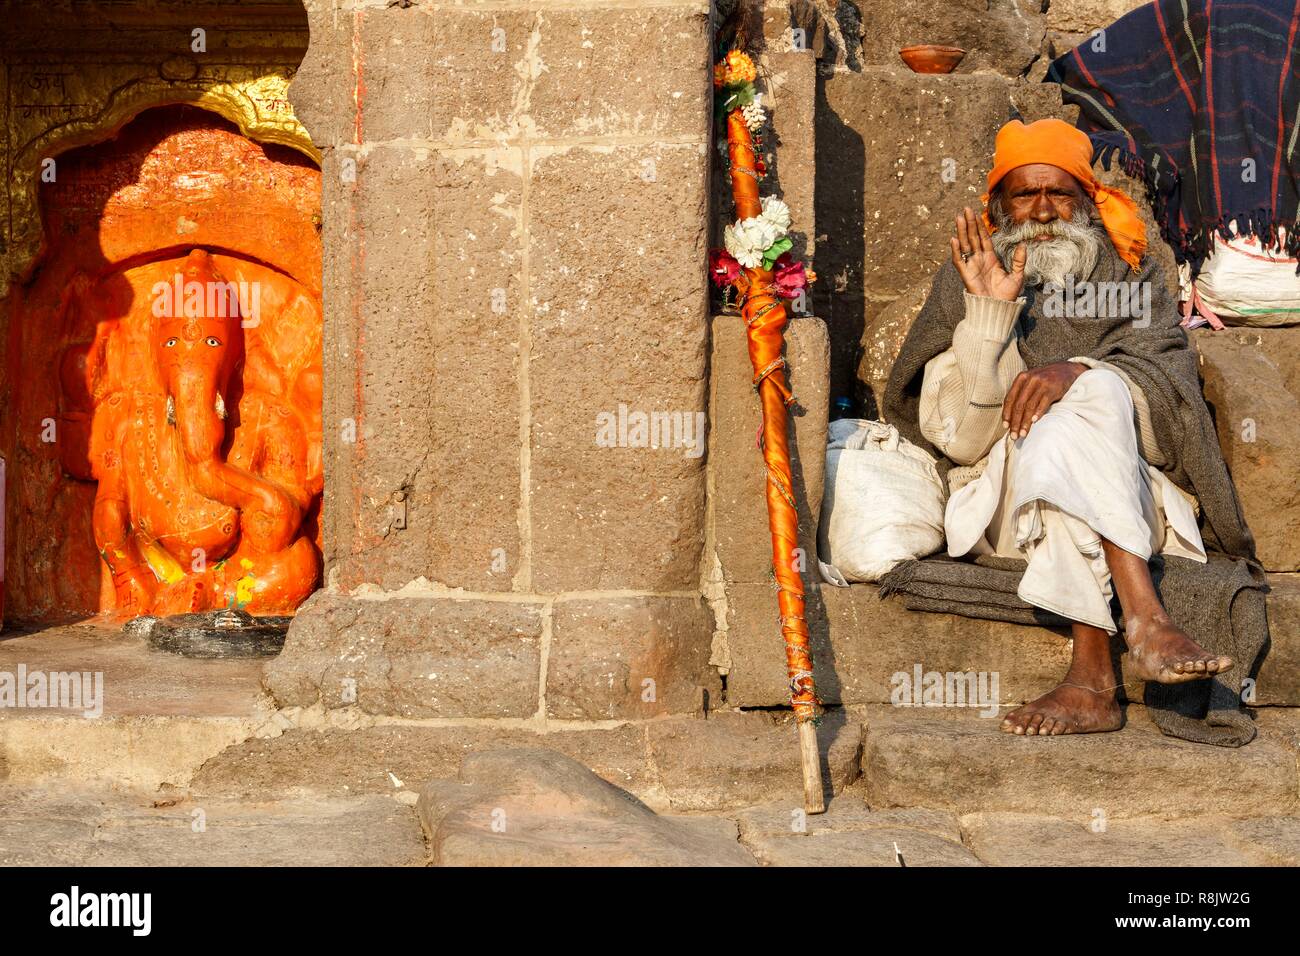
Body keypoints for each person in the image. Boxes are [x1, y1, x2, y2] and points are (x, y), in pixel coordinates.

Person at [883, 119, 1265, 739]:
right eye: (1024, 195)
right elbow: (960, 441)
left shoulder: (1134, 271)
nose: (1043, 211)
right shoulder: (967, 277)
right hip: (1011, 508)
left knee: (1096, 392)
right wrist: (989, 315)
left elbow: (1173, 397)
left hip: (1131, 492)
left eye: (1058, 193)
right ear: (1001, 206)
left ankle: (1091, 683)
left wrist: (1078, 371)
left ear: (1086, 199)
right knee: (1056, 425)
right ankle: (1145, 617)